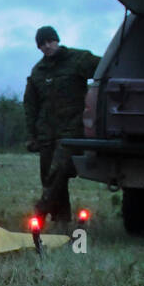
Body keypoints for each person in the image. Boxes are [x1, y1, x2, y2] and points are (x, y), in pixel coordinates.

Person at [23, 26, 99, 223]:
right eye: (42, 44)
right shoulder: (38, 71)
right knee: (50, 176)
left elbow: (105, 69)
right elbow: (31, 105)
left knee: (58, 171)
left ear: (57, 40)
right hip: (46, 132)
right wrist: (32, 135)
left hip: (72, 130)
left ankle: (40, 211)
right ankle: (61, 220)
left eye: (50, 41)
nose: (47, 46)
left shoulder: (78, 59)